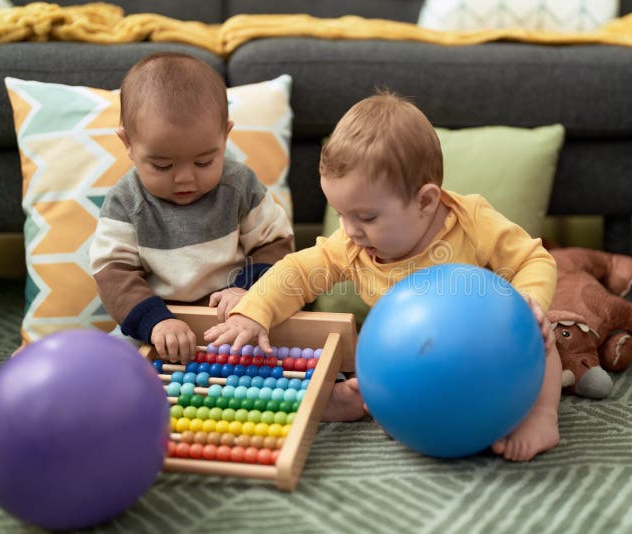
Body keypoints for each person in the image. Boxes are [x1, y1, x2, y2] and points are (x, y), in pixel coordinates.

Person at [204, 91, 561, 462]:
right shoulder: (352, 244)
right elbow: (299, 270)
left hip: (493, 347)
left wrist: (527, 300)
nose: (351, 231)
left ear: (425, 201)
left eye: (367, 217)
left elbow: (535, 259)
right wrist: (254, 309)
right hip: (411, 357)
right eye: (341, 214)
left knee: (544, 337)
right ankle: (364, 401)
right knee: (369, 360)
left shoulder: (472, 222)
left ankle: (541, 417)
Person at [89, 52, 294, 364]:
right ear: (128, 143)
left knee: (289, 342)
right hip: (162, 321)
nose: (185, 178)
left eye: (204, 162)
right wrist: (155, 321)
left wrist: (249, 292)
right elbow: (114, 274)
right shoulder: (126, 202)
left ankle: (332, 391)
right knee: (107, 361)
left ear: (225, 136)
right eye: (162, 165)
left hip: (238, 313)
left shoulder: (240, 186)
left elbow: (276, 245)